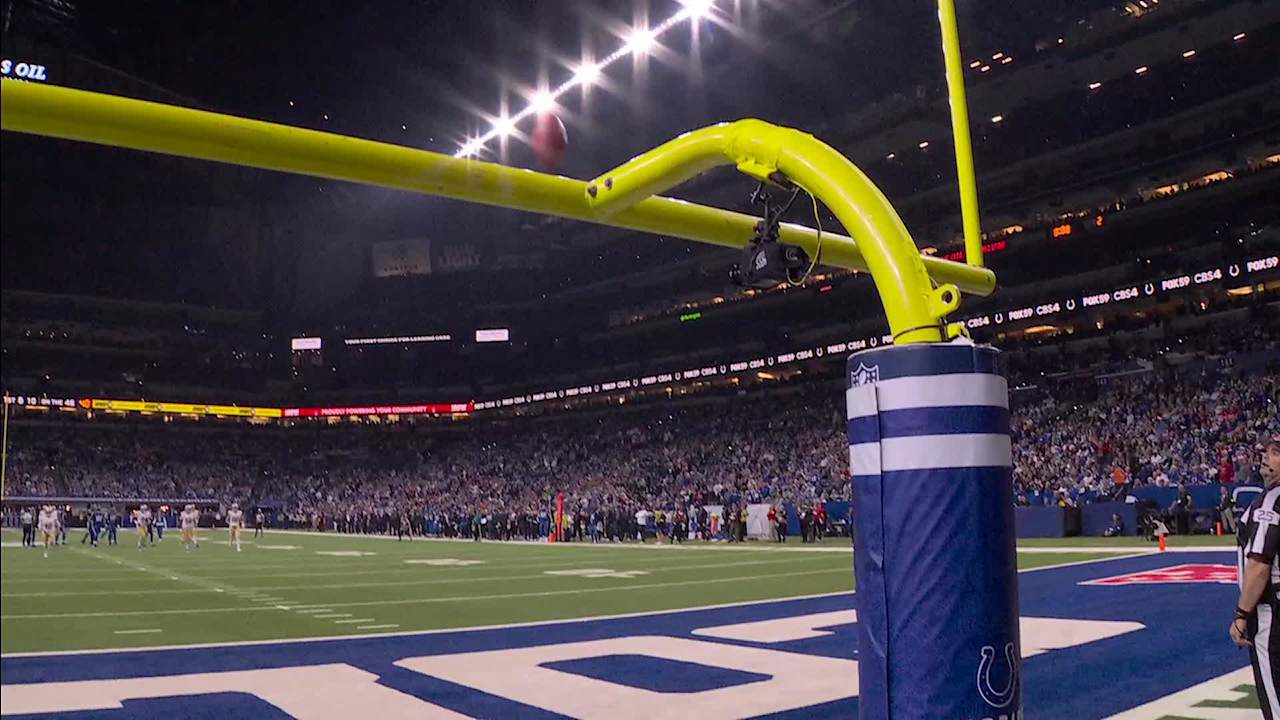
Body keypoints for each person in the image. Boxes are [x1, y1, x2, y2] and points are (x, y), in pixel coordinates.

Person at [1229, 434, 1280, 718]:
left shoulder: (1270, 502)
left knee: (1275, 702)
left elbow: (1260, 564)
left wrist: (1241, 614)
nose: (1265, 457)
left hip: (1271, 612)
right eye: (1266, 451)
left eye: (1275, 453)